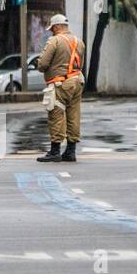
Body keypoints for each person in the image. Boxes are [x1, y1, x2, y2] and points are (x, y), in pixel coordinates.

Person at [35, 14, 85, 163]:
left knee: (55, 113)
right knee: (73, 115)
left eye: (52, 29)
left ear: (57, 27)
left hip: (60, 83)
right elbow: (80, 64)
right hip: (77, 81)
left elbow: (43, 64)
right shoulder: (79, 42)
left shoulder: (55, 41)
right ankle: (71, 151)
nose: (51, 32)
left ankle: (55, 150)